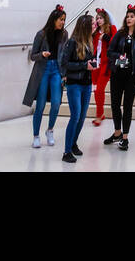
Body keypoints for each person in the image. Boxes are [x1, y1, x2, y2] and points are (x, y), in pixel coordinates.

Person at [103, 5, 135, 151]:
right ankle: (117, 133)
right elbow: (110, 51)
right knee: (115, 104)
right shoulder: (120, 33)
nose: (129, 19)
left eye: (132, 16)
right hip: (117, 74)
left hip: (132, 77)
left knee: (127, 106)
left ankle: (125, 138)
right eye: (127, 16)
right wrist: (119, 56)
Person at [21, 6, 66, 149]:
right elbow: (33, 56)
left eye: (64, 20)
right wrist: (42, 55)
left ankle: (50, 130)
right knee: (40, 105)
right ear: (53, 19)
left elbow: (65, 55)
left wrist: (64, 74)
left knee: (56, 103)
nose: (62, 22)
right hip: (43, 70)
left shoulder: (64, 34)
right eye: (60, 19)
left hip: (56, 70)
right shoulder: (41, 34)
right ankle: (36, 136)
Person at [59, 15, 93, 163]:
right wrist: (84, 65)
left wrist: (91, 64)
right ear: (85, 26)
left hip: (87, 84)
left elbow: (87, 62)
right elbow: (64, 64)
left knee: (82, 117)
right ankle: (66, 151)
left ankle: (73, 144)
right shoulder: (72, 42)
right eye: (92, 24)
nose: (95, 25)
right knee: (75, 116)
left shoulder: (89, 42)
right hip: (74, 84)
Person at [89, 8, 117, 126]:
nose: (98, 20)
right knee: (96, 90)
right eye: (97, 18)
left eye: (101, 18)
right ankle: (101, 113)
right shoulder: (95, 32)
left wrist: (106, 38)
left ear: (105, 19)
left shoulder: (111, 29)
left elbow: (117, 44)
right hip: (96, 64)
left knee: (100, 89)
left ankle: (99, 115)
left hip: (106, 64)